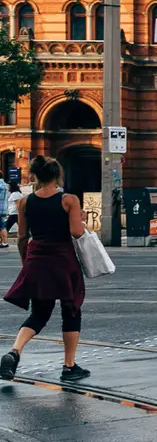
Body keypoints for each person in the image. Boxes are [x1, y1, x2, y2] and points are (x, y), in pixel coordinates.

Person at [2, 156, 89, 383]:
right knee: (71, 309)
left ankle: (14, 351)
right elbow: (77, 233)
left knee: (39, 313)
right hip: (63, 260)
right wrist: (83, 220)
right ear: (57, 175)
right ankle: (69, 366)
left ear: (35, 176)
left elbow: (21, 238)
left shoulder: (24, 202)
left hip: (37, 259)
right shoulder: (69, 200)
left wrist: (26, 263)